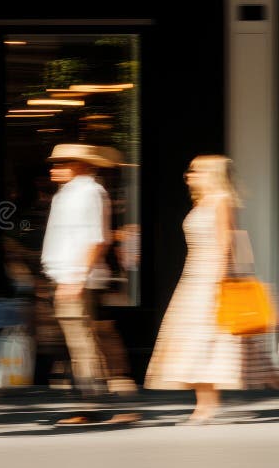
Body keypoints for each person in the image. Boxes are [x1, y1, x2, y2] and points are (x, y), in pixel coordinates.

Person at [144, 155, 276, 424]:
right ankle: (206, 404)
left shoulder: (221, 201)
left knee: (216, 342)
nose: (189, 175)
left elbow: (228, 242)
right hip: (194, 276)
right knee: (199, 343)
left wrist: (219, 280)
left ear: (212, 174)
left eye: (196, 171)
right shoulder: (201, 202)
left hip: (213, 277)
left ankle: (207, 405)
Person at [40, 143, 139, 425]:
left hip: (77, 279)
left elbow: (95, 238)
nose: (54, 168)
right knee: (81, 344)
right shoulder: (69, 193)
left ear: (80, 165)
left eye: (62, 163)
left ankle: (94, 406)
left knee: (83, 344)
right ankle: (94, 405)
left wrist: (77, 278)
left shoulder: (87, 192)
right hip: (66, 277)